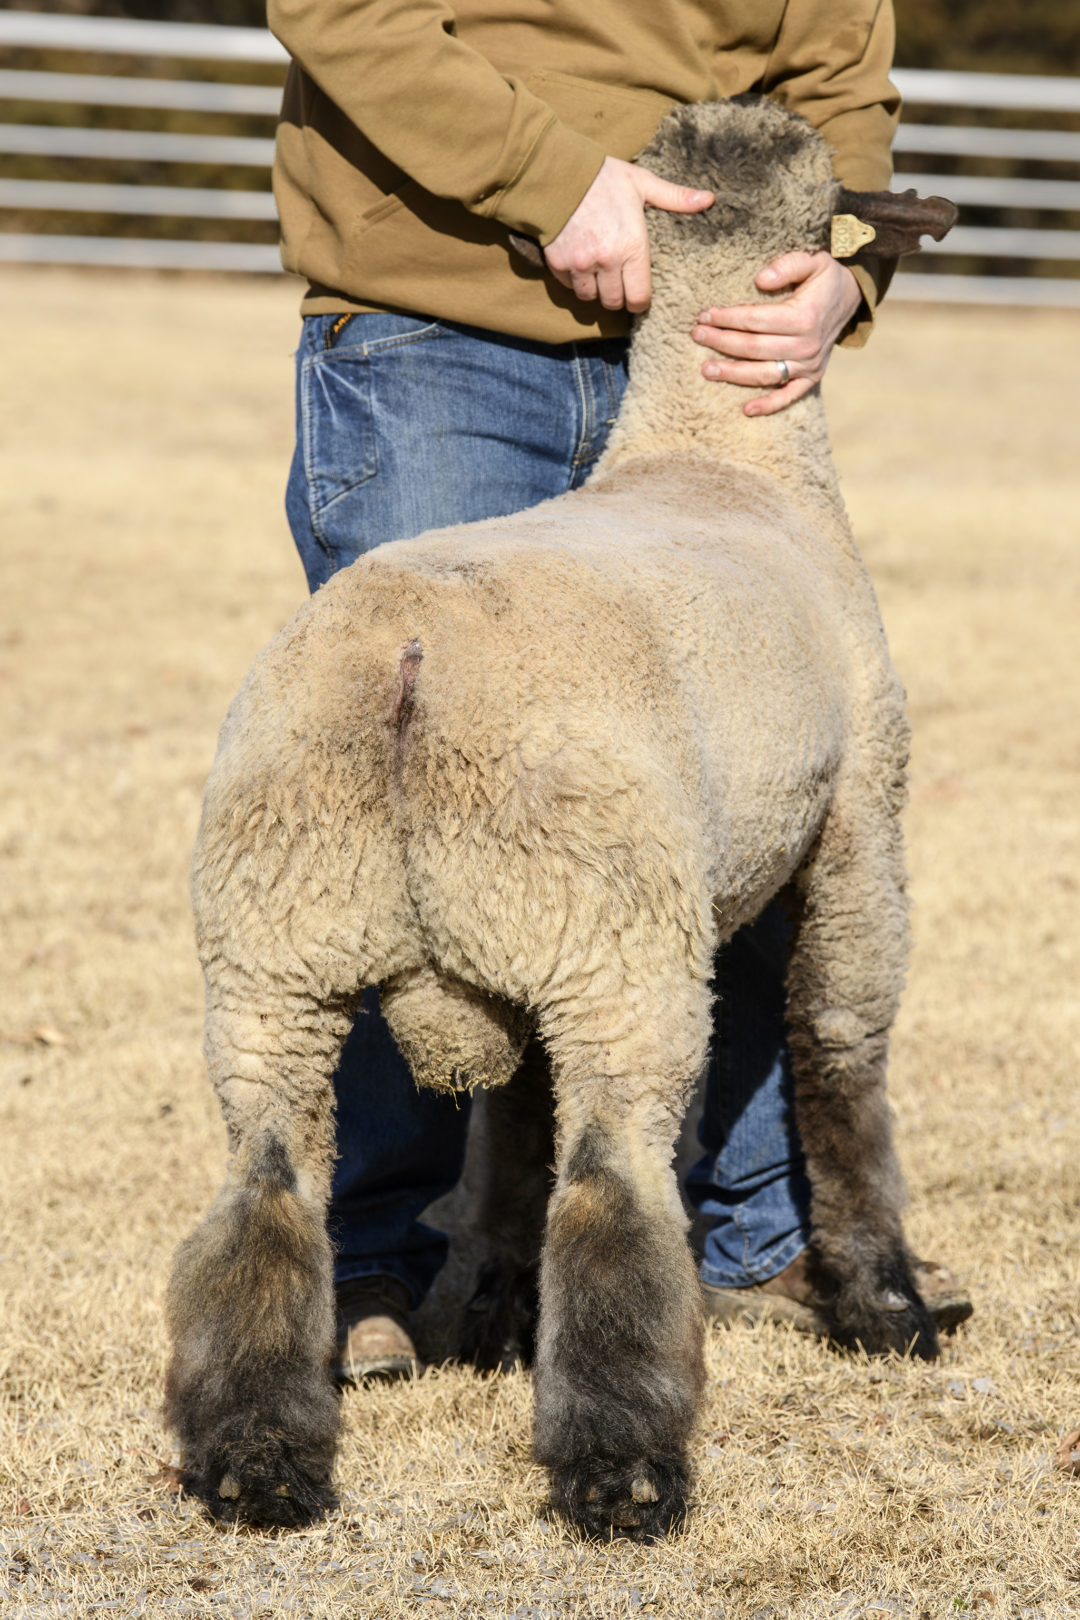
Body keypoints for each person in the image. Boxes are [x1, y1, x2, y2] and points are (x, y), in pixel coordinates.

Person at [266, 0, 972, 1378]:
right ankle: (382, 1262)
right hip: (445, 324)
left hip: (710, 357)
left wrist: (846, 267)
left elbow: (840, 72)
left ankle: (748, 1227)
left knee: (760, 767)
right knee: (419, 793)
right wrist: (556, 180)